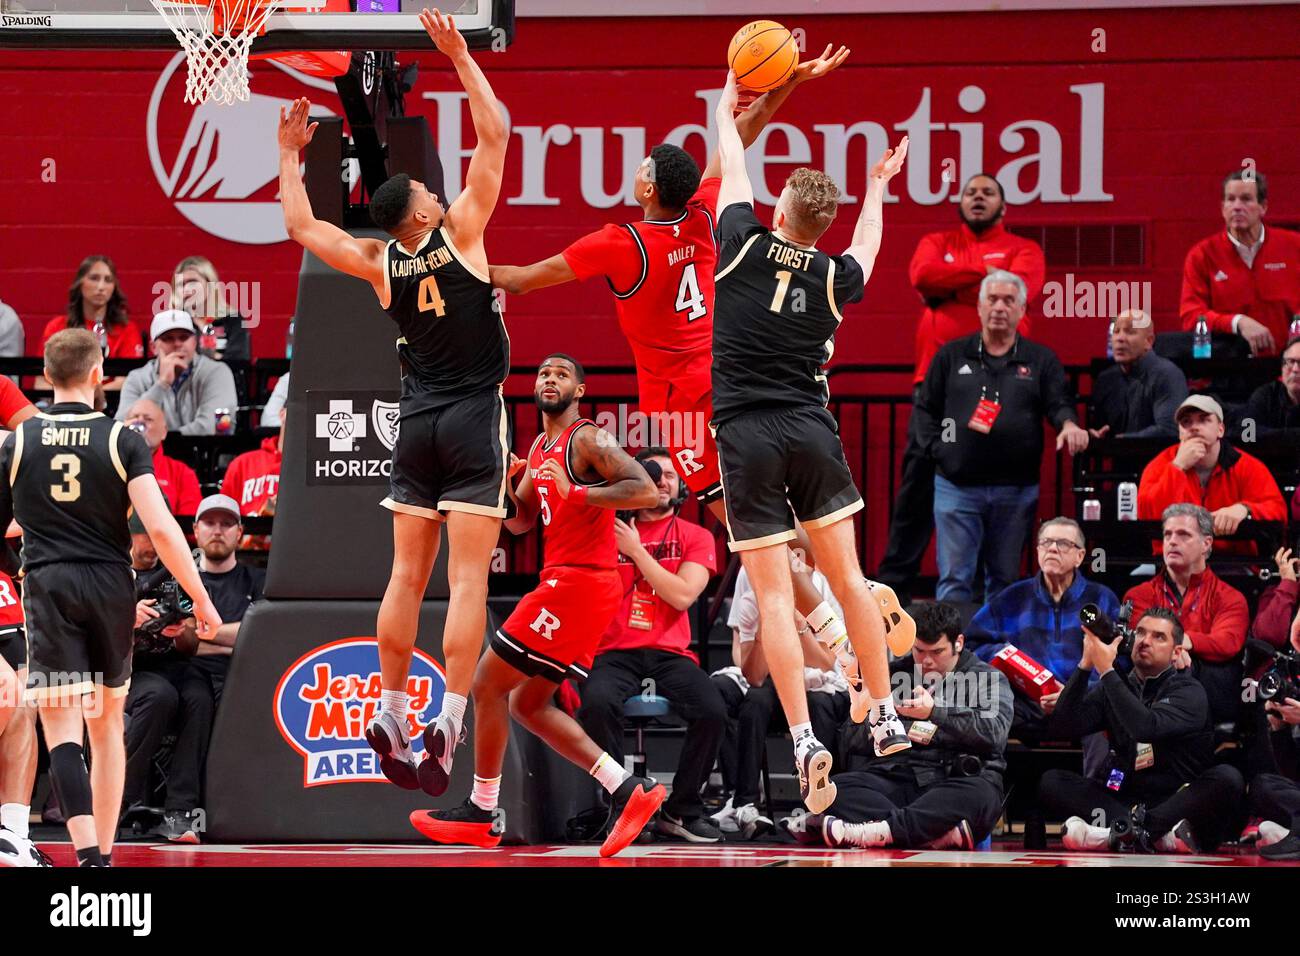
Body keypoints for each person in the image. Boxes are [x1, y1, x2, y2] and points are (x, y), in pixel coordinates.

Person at [488, 49, 889, 659]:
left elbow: (518, 279)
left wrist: (455, 270)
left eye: (643, 165)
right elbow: (741, 136)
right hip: (730, 377)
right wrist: (786, 86)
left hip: (683, 397)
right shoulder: (705, 208)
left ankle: (835, 626)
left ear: (648, 186)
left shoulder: (621, 243)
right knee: (761, 520)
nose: (639, 169)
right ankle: (842, 611)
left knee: (741, 522)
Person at [277, 10, 508, 797]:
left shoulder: (379, 262)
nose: (443, 193)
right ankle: (445, 716)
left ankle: (388, 704)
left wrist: (287, 155)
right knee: (468, 583)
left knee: (405, 579)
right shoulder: (466, 234)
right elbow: (498, 134)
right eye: (431, 192)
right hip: (475, 415)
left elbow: (302, 224)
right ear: (422, 211)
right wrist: (459, 59)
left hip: (415, 422)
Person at [708, 73, 915, 816]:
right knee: (852, 580)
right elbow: (869, 242)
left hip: (746, 433)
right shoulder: (835, 277)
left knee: (771, 597)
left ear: (779, 211)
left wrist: (728, 96)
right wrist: (879, 185)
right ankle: (885, 712)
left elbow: (730, 155)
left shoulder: (739, 243)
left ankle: (801, 739)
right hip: (808, 426)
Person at [411, 354, 665, 857]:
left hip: (580, 583)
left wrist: (577, 492)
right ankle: (628, 791)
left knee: (484, 685)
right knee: (524, 704)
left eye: (561, 374)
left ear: (580, 390)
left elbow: (645, 488)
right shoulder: (540, 446)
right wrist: (512, 481)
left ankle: (482, 811)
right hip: (569, 583)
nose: (550, 379)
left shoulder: (588, 438)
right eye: (543, 373)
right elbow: (521, 522)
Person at [0, 329, 221, 868]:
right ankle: (101, 859)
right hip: (108, 585)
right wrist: (201, 600)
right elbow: (165, 530)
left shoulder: (18, 443)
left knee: (62, 732)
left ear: (45, 378)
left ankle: (88, 860)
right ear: (100, 375)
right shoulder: (124, 439)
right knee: (105, 729)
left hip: (49, 587)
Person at [876, 174, 1045, 602]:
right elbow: (923, 276)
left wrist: (953, 286)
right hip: (936, 389)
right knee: (916, 489)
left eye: (988, 193)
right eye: (971, 192)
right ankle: (890, 597)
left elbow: (1023, 288)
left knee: (998, 489)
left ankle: (999, 606)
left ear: (1003, 207)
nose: (978, 198)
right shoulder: (936, 240)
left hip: (1001, 384)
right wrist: (986, 272)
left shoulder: (1025, 248)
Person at [577, 447, 726, 842]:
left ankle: (682, 809)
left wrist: (637, 551)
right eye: (652, 473)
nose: (661, 480)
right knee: (595, 703)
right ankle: (621, 804)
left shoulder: (695, 536)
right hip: (613, 651)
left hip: (669, 653)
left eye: (670, 476)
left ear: (681, 490)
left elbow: (681, 596)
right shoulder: (604, 531)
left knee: (712, 709)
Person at [913, 269, 1089, 604]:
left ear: (1022, 310)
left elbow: (1059, 402)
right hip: (956, 486)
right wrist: (939, 450)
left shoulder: (1040, 360)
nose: (999, 307)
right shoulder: (951, 356)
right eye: (992, 299)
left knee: (1005, 579)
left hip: (1016, 489)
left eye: (1009, 301)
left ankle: (997, 654)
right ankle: (954, 653)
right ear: (979, 308)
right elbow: (925, 410)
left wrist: (1068, 424)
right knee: (954, 579)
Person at [1041, 608, 1245, 853]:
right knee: (1052, 781)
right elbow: (1062, 726)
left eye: (1159, 637)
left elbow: (1144, 728)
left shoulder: (1189, 691)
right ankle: (1153, 836)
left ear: (1176, 652)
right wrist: (1085, 665)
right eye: (1140, 633)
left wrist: (1106, 670)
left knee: (1228, 778)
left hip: (1178, 802)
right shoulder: (1116, 685)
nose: (1145, 641)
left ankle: (1119, 833)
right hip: (1127, 799)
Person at [812, 602, 1012, 850]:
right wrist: (892, 724)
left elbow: (995, 735)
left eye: (937, 652)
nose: (926, 661)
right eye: (919, 650)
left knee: (983, 796)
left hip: (954, 779)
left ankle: (879, 830)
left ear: (958, 643)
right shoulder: (890, 675)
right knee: (831, 791)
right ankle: (930, 833)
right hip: (896, 777)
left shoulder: (987, 678)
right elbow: (851, 737)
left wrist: (934, 712)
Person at [710, 562, 849, 840]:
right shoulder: (751, 591)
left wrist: (799, 628)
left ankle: (822, 806)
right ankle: (744, 801)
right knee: (754, 699)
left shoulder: (827, 585)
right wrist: (767, 629)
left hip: (820, 680)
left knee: (820, 706)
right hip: (772, 676)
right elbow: (754, 674)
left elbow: (824, 662)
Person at [965, 517, 1121, 743]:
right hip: (1025, 706)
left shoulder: (1101, 598)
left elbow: (1118, 661)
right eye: (1046, 542)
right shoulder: (1012, 597)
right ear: (1037, 550)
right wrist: (1007, 659)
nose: (1053, 548)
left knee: (1109, 708)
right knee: (987, 706)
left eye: (1063, 544)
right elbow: (971, 645)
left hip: (1084, 706)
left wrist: (1076, 694)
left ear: (1080, 556)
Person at [123, 520, 212, 844]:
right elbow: (90, 636)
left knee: (199, 696)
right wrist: (128, 621)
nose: (156, 541)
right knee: (159, 696)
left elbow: (192, 645)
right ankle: (117, 799)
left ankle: (180, 811)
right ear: (130, 534)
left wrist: (180, 632)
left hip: (171, 663)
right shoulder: (111, 570)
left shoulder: (173, 572)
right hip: (124, 668)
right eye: (148, 533)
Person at [1123, 504, 1249, 725]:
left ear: (1206, 544)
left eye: (1183, 535)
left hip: (1209, 696)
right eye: (1168, 534)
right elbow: (1138, 642)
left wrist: (1182, 642)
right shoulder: (1138, 594)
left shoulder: (1231, 597)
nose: (1172, 541)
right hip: (1150, 692)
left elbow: (1227, 643)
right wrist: (1179, 647)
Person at [1180, 170, 1300, 357]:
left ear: (1263, 207)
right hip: (1226, 369)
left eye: (1246, 199)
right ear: (1222, 208)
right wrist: (1237, 322)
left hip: (1288, 369)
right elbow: (1191, 316)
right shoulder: (1202, 255)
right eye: (1230, 199)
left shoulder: (1294, 246)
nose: (1237, 207)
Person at [1136, 394, 1285, 538]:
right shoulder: (1160, 465)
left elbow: (1278, 512)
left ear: (1220, 429)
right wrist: (1178, 467)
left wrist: (1245, 509)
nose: (1194, 427)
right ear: (1180, 432)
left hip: (1233, 559)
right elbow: (1147, 515)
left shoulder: (1247, 466)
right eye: (1186, 422)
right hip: (1175, 560)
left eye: (1203, 420)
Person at [188, 495, 265, 705]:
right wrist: (233, 641)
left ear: (239, 532)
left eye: (227, 524)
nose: (217, 531)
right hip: (191, 683)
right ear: (195, 529)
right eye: (209, 523)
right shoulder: (182, 581)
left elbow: (264, 636)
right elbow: (177, 643)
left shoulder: (260, 580)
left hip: (246, 679)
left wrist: (197, 636)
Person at [115, 310, 239, 436]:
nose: (177, 344)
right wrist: (162, 384)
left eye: (184, 337)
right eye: (168, 339)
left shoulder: (217, 373)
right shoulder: (137, 378)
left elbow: (211, 426)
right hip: (151, 454)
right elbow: (120, 427)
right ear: (153, 347)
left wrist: (164, 440)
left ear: (194, 342)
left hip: (203, 453)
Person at [1087, 308, 1187, 440]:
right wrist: (1094, 435)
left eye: (1130, 332)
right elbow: (1099, 427)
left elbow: (1169, 430)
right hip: (1119, 458)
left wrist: (1121, 440)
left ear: (1149, 341)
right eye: (1116, 331)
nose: (1120, 338)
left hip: (1159, 458)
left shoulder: (1167, 375)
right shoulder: (1106, 379)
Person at [41, 255, 146, 371]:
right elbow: (41, 381)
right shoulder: (56, 327)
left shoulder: (127, 329)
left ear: (114, 287)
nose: (101, 287)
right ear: (80, 283)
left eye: (108, 280)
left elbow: (127, 382)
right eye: (94, 278)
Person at [123, 398, 201, 516]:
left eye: (148, 419)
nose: (138, 424)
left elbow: (188, 525)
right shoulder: (107, 465)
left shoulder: (182, 474)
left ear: (164, 432)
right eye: (133, 418)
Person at [170, 255, 251, 364]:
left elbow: (239, 363)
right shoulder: (174, 321)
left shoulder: (233, 319)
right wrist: (216, 357)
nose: (187, 289)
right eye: (180, 284)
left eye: (192, 282)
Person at [1243, 334, 1300, 433]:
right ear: (1282, 367)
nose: (1295, 369)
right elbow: (1247, 435)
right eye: (1290, 361)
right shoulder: (1265, 395)